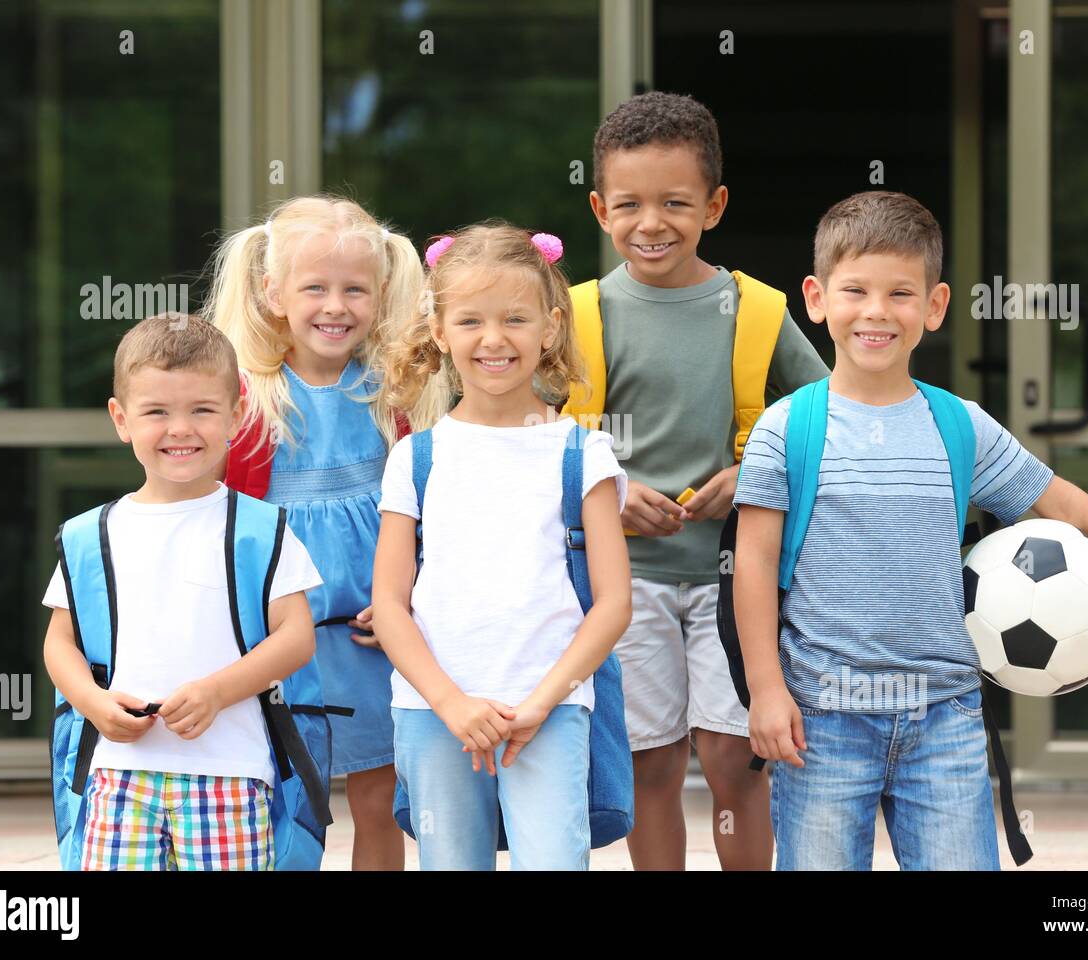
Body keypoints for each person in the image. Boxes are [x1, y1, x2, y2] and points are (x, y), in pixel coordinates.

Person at [733, 190, 1088, 870]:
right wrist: (767, 690)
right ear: (817, 296)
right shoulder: (788, 428)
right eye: (855, 290)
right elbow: (753, 565)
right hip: (822, 720)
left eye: (900, 293)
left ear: (936, 305)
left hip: (944, 721)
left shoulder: (960, 427)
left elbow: (1060, 503)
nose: (877, 312)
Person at [565, 91, 828, 869]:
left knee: (734, 760)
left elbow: (824, 425)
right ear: (598, 207)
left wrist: (751, 474)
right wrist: (609, 493)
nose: (652, 223)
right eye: (630, 204)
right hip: (626, 580)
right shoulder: (573, 317)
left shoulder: (756, 311)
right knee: (651, 763)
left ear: (713, 206)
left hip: (731, 580)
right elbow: (528, 442)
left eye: (676, 203)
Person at [372, 222, 632, 870]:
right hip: (437, 715)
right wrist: (451, 703)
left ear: (549, 327)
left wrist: (543, 701)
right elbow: (390, 605)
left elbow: (614, 603)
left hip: (549, 711)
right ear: (440, 332)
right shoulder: (415, 459)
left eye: (516, 318)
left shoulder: (583, 453)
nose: (494, 339)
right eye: (471, 321)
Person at [206, 195, 445, 870]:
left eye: (354, 290)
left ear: (380, 294)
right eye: (315, 288)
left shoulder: (393, 396)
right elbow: (225, 525)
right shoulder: (250, 401)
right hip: (282, 641)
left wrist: (407, 594)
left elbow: (426, 516)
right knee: (283, 802)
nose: (335, 306)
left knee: (380, 803)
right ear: (273, 292)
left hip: (376, 637)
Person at [43, 314, 322, 870]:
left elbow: (296, 638)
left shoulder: (259, 527)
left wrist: (219, 691)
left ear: (236, 415)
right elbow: (60, 644)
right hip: (117, 774)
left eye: (201, 410)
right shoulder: (89, 534)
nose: (180, 429)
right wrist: (93, 704)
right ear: (121, 419)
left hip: (232, 773)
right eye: (156, 412)